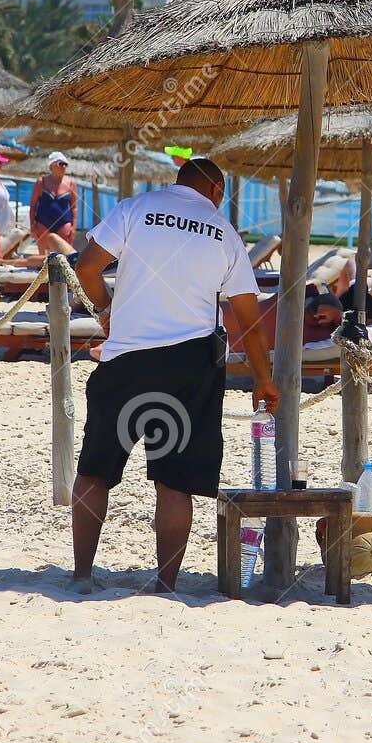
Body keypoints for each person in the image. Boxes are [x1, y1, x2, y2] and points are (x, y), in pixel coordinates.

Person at [71, 157, 279, 594]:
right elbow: (249, 321)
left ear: (177, 182)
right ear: (218, 190)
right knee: (174, 480)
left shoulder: (135, 208)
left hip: (126, 358)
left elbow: (86, 268)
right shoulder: (223, 232)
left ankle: (82, 574)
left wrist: (107, 311)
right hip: (189, 366)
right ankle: (165, 583)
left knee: (94, 470)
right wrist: (263, 379)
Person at [29, 151, 78, 257]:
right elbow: (33, 205)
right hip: (43, 222)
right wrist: (32, 225)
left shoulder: (71, 183)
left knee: (64, 255)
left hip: (64, 223)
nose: (63, 167)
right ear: (51, 165)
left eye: (66, 164)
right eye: (61, 164)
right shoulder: (41, 182)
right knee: (42, 257)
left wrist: (73, 227)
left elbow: (74, 207)